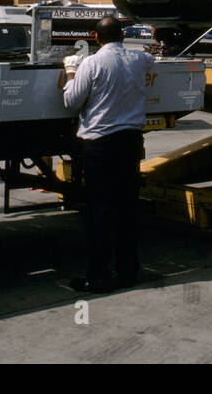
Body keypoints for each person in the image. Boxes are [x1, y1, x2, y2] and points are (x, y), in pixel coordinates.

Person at [61, 16, 155, 293]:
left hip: (100, 145)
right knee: (126, 208)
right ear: (123, 36)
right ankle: (127, 271)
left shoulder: (91, 63)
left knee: (100, 211)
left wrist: (69, 72)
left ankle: (98, 275)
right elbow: (151, 61)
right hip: (130, 142)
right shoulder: (137, 60)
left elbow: (70, 102)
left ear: (95, 37)